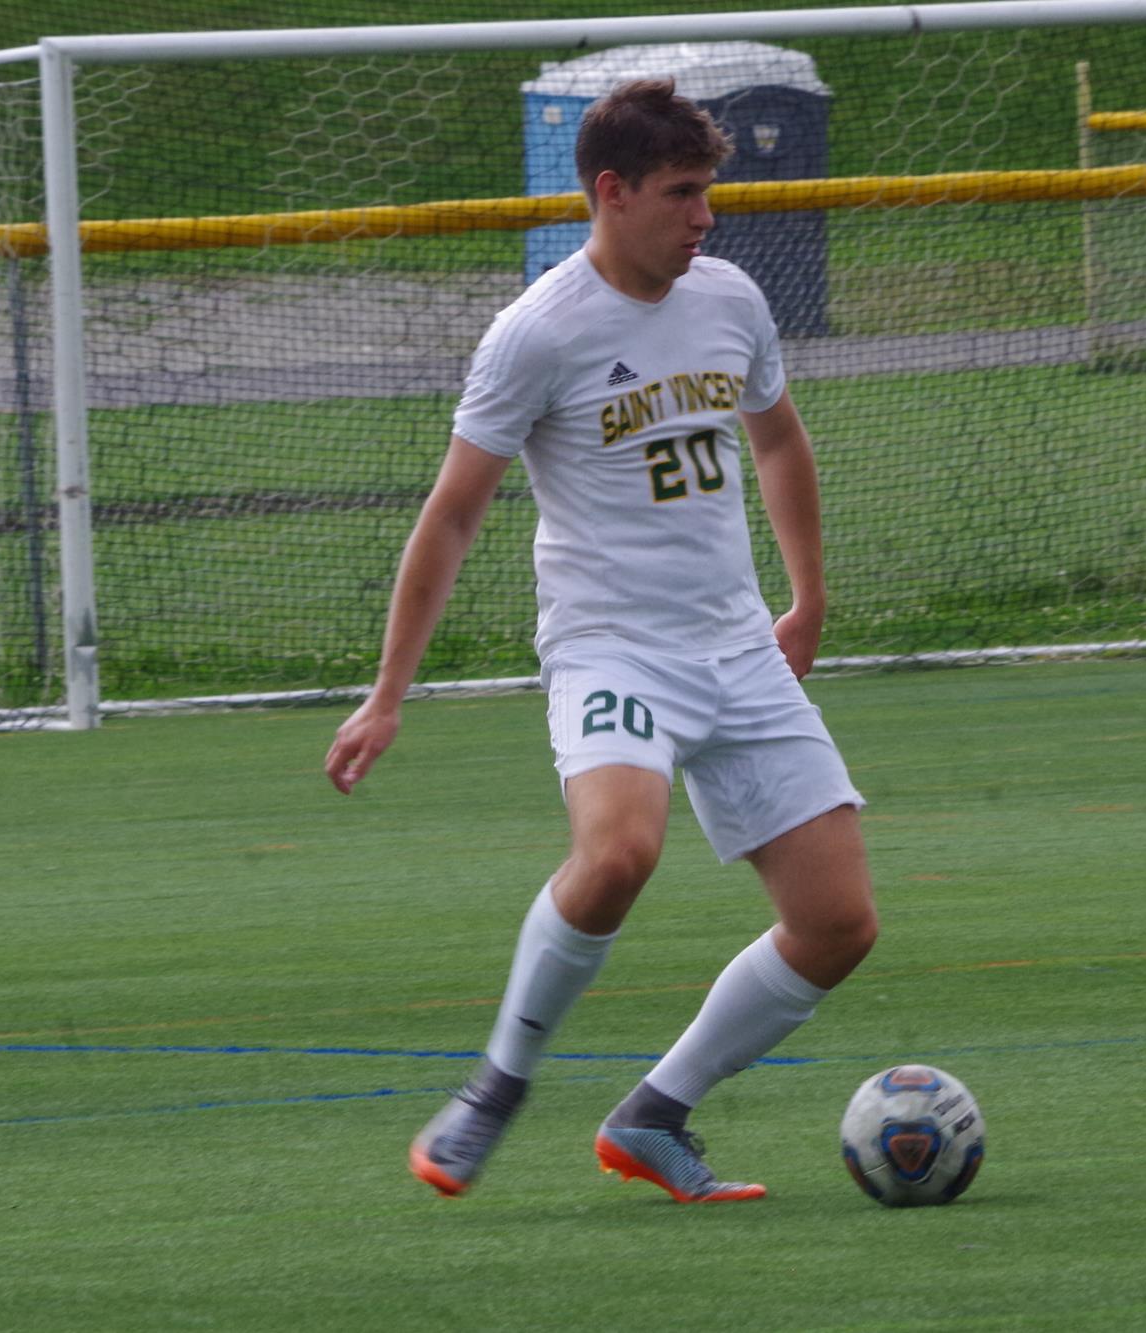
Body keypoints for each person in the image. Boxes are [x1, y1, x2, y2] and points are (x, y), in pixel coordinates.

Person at [323, 77, 876, 1205]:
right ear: (609, 193)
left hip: (733, 646)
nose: (703, 216)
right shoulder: (537, 332)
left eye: (708, 192)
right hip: (611, 649)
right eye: (681, 193)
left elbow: (776, 441)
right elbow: (453, 513)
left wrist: (806, 596)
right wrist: (387, 694)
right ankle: (497, 1084)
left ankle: (654, 1113)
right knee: (619, 853)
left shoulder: (728, 298)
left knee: (836, 924)